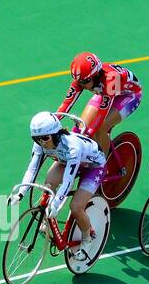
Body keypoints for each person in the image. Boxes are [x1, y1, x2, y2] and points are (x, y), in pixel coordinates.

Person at [10, 110, 107, 257]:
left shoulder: (73, 148)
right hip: (66, 161)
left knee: (76, 207)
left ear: (56, 134)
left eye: (44, 138)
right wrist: (21, 193)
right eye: (37, 139)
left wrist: (55, 205)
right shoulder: (41, 144)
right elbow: (32, 168)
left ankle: (88, 238)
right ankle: (48, 222)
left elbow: (68, 181)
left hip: (93, 167)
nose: (42, 143)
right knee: (48, 183)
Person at [57, 51, 143, 154]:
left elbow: (102, 113)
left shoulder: (111, 79)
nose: (81, 85)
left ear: (96, 75)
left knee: (101, 128)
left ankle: (102, 164)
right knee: (82, 126)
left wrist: (89, 133)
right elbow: (66, 103)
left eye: (85, 82)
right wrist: (54, 121)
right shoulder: (82, 79)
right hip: (105, 93)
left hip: (129, 95)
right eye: (78, 81)